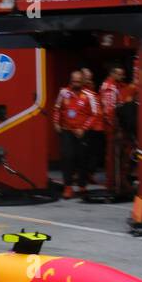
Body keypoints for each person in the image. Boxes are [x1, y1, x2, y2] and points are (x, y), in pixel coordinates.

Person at [53, 70, 92, 198]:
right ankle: (68, 187)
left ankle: (82, 186)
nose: (76, 83)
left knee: (82, 159)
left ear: (82, 81)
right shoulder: (63, 92)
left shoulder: (89, 95)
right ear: (71, 80)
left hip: (82, 132)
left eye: (78, 81)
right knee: (67, 157)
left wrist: (84, 128)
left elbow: (95, 114)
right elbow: (57, 109)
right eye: (74, 81)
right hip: (67, 131)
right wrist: (56, 123)